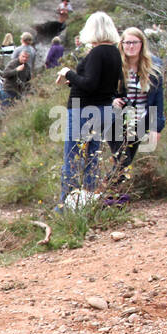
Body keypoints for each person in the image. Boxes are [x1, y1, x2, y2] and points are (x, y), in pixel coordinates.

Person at [55, 11, 123, 204]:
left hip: (82, 110)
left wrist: (68, 73)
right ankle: (89, 201)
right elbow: (102, 84)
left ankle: (66, 205)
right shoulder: (115, 53)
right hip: (102, 109)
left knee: (72, 157)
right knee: (92, 157)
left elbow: (90, 84)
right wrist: (74, 81)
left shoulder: (97, 52)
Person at [106, 26, 165, 199]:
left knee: (126, 161)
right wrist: (112, 100)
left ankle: (107, 194)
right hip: (115, 121)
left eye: (134, 43)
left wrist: (156, 127)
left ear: (141, 44)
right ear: (121, 44)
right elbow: (102, 90)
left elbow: (158, 100)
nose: (130, 46)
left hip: (140, 121)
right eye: (127, 42)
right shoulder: (115, 65)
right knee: (122, 160)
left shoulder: (153, 67)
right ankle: (106, 195)